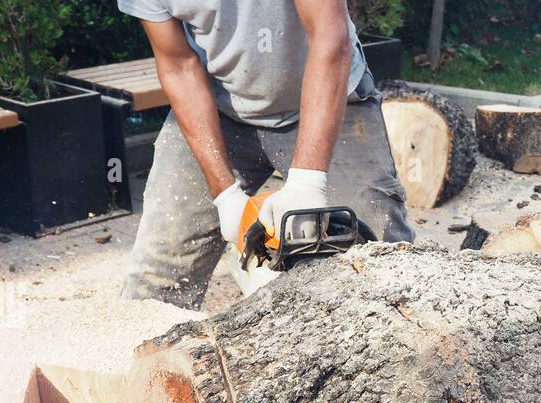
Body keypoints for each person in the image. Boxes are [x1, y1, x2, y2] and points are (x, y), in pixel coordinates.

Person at [117, 0, 415, 308]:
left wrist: (307, 183)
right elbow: (178, 67)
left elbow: (329, 35)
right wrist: (224, 194)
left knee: (382, 267)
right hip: (218, 110)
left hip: (332, 99)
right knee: (156, 282)